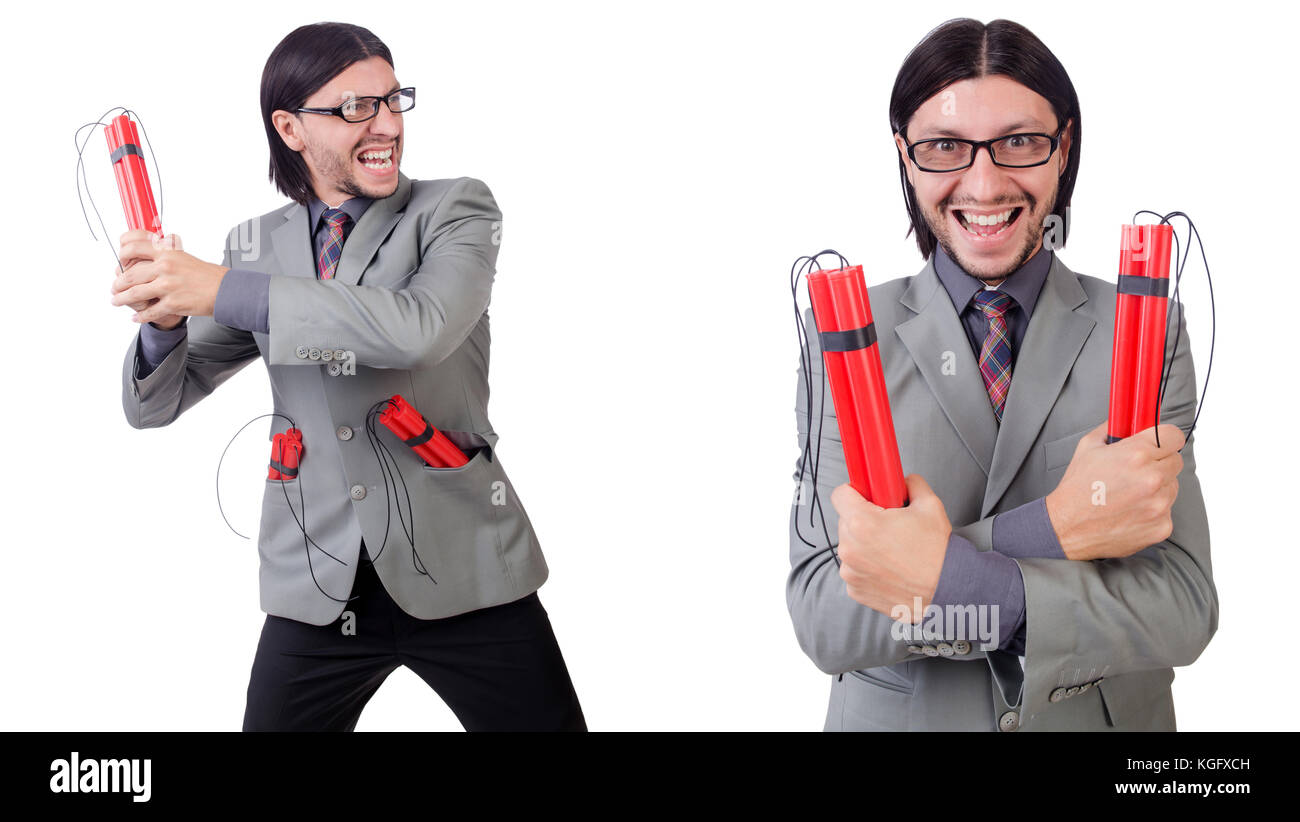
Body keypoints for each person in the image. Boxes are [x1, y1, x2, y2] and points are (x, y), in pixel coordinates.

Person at [112, 22, 585, 731]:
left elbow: (417, 329)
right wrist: (165, 316)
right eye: (355, 108)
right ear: (291, 128)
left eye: (394, 101)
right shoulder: (255, 245)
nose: (387, 125)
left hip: (466, 572)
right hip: (318, 583)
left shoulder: (455, 209)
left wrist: (220, 289)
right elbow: (156, 404)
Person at [787, 18, 1215, 731]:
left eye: (1020, 141)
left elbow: (1182, 607)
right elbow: (827, 619)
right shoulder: (843, 336)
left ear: (1063, 149)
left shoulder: (1141, 329)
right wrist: (1056, 528)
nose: (984, 185)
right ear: (905, 154)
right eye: (946, 146)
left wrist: (940, 572)